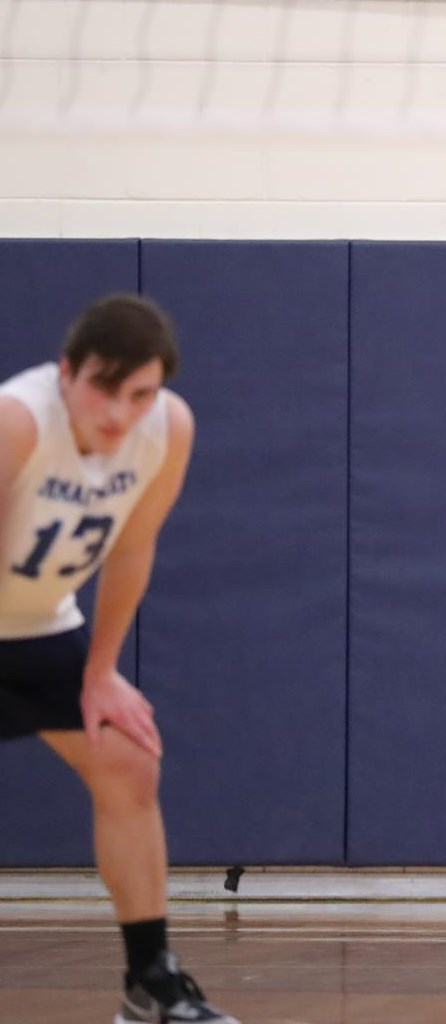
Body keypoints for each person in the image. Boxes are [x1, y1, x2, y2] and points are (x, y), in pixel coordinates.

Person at [0, 294, 234, 1023]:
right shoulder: (18, 419)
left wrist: (100, 674)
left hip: (38, 622)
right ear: (66, 371)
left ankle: (149, 981)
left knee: (129, 759)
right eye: (103, 387)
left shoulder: (168, 429)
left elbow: (131, 548)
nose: (117, 411)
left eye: (140, 393)